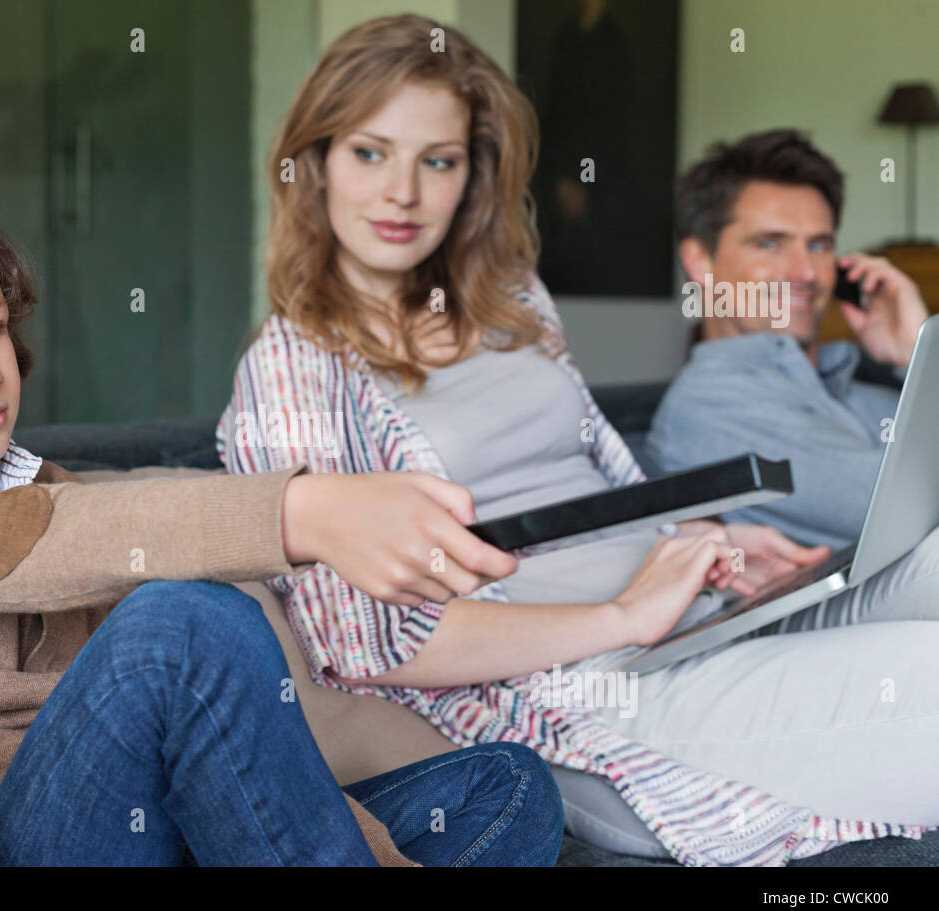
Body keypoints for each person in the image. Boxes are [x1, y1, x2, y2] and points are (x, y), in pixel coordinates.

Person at [218, 14, 939, 865]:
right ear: (316, 164)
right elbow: (361, 650)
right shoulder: (295, 367)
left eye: (437, 160)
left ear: (473, 174)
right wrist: (620, 613)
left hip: (705, 618)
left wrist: (700, 537)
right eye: (369, 153)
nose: (402, 193)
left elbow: (589, 487)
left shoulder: (513, 302)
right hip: (600, 688)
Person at [0, 176, 564, 866]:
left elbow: (243, 762)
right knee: (180, 623)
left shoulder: (32, 481)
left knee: (506, 789)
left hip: (128, 827)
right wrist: (298, 511)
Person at [646, 128, 930, 551]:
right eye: (769, 243)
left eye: (818, 245)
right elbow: (910, 511)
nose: (806, 272)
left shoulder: (852, 388)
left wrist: (916, 354)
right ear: (699, 261)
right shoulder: (713, 406)